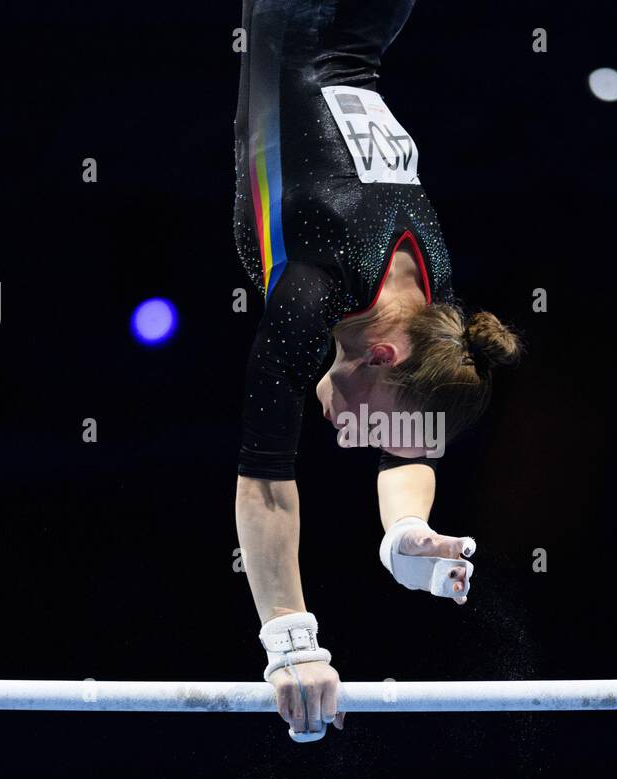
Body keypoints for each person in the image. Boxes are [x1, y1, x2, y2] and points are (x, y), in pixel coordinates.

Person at [233, 0, 522, 741]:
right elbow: (265, 484)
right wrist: (292, 644)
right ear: (384, 357)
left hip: (359, 32)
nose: (350, 433)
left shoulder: (433, 310)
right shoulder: (310, 292)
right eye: (371, 420)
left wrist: (406, 531)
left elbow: (409, 442)